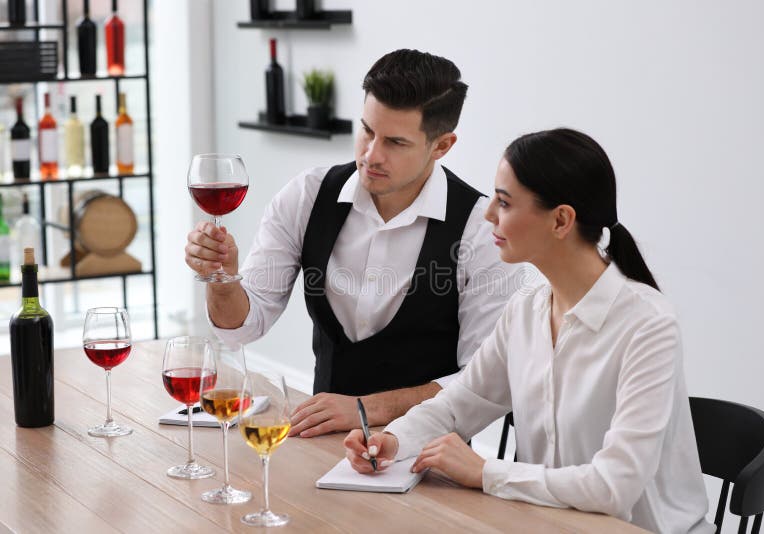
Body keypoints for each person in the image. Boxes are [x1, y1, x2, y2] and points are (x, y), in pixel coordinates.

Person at [343, 129, 714, 534]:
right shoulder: (525, 310)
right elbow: (458, 405)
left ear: (561, 220)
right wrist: (393, 440)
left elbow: (614, 486)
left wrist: (486, 472)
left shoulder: (648, 326)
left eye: (504, 202)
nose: (488, 214)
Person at [185, 49, 524, 438]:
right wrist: (222, 279)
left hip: (428, 454)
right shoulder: (307, 196)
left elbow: (484, 384)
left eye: (395, 142)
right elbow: (241, 329)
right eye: (367, 130)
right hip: (321, 442)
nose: (371, 155)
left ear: (442, 145)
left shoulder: (482, 230)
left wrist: (366, 409)